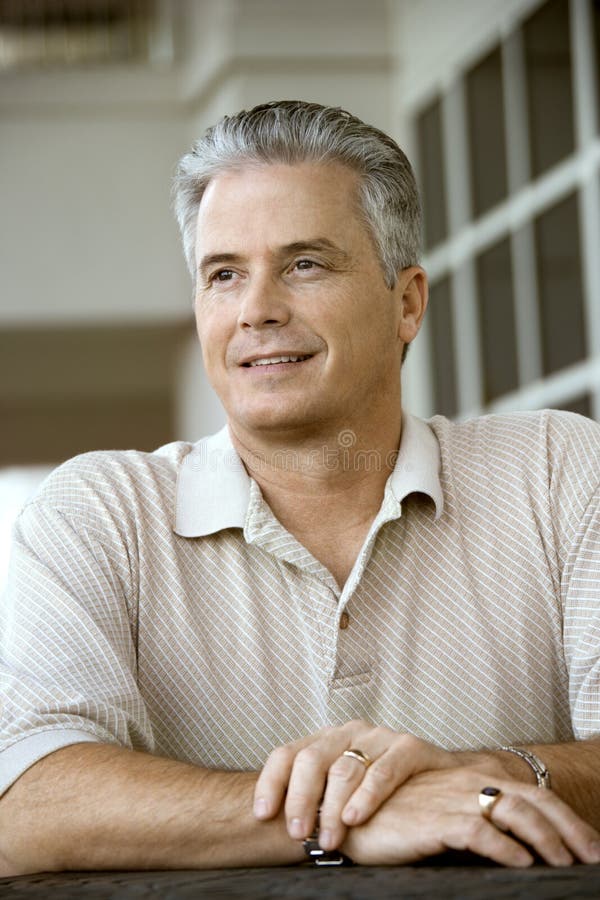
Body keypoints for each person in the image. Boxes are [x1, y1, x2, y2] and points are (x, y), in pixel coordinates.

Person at [1, 100, 600, 875]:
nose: (256, 311)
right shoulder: (99, 513)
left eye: (304, 264)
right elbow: (25, 803)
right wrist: (347, 818)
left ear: (407, 302)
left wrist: (484, 783)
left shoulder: (558, 471)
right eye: (224, 274)